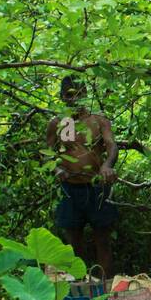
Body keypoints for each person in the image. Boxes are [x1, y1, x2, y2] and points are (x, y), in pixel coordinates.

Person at [46, 75, 118, 280]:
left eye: (78, 94)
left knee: (102, 241)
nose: (74, 99)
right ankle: (80, 287)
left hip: (97, 188)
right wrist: (57, 169)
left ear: (85, 95)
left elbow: (112, 145)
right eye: (69, 95)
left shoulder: (98, 120)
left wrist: (107, 166)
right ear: (61, 97)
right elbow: (46, 153)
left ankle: (105, 290)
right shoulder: (57, 123)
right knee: (73, 244)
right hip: (70, 189)